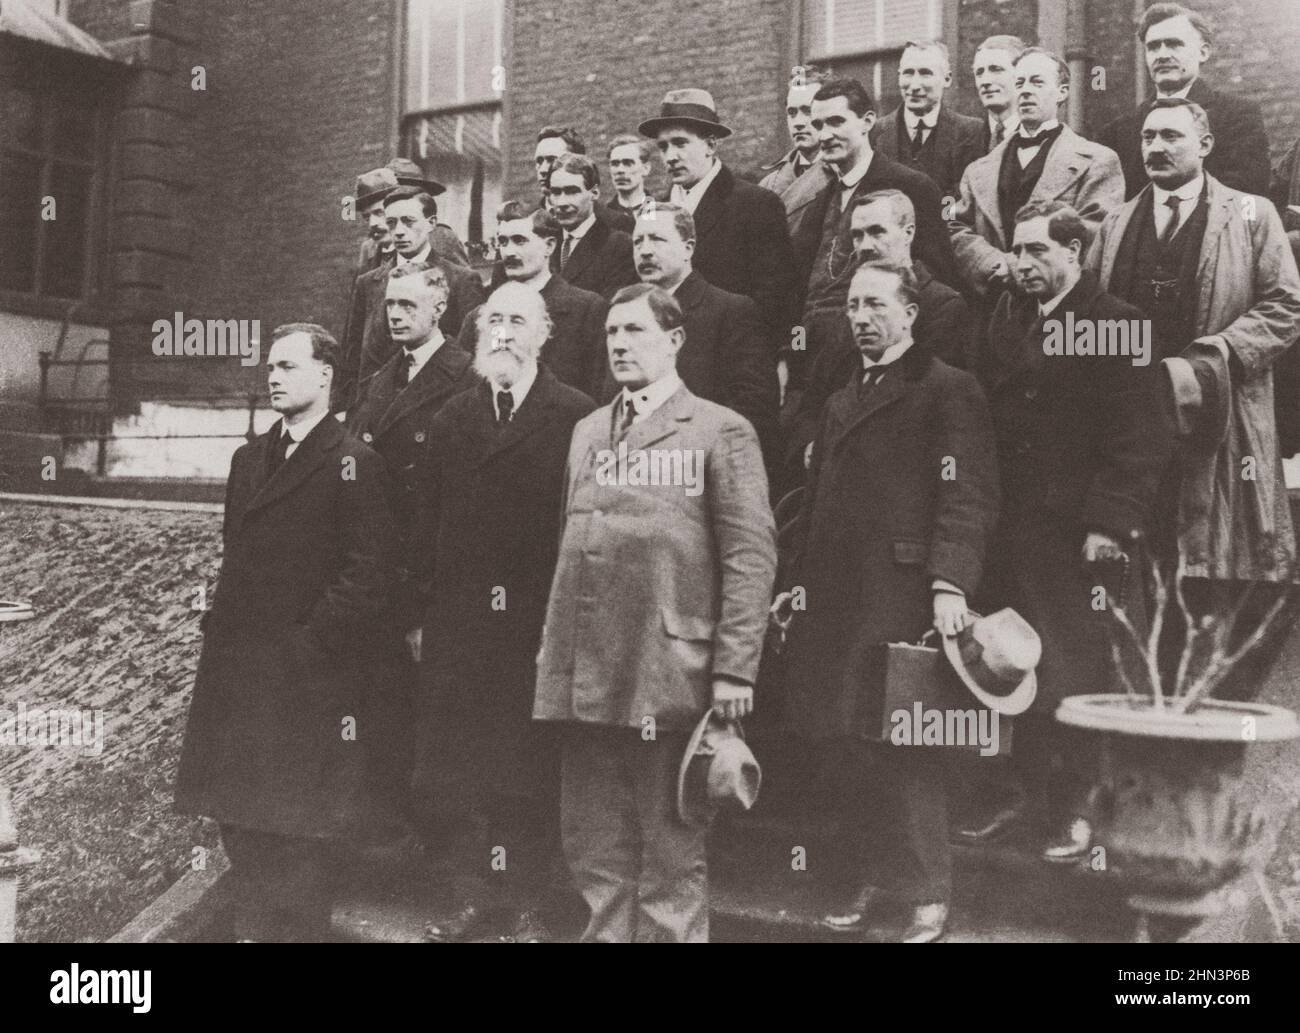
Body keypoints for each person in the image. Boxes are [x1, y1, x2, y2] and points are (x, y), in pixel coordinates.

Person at [533, 283, 777, 942]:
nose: (618, 344)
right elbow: (573, 541)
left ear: (675, 340)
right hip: (585, 676)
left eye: (635, 331)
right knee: (595, 853)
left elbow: (751, 560)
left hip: (669, 675)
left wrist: (734, 673)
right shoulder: (587, 430)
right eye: (611, 333)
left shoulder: (719, 430)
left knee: (670, 858)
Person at [774, 263, 999, 943]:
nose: (862, 317)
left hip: (900, 596)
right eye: (852, 305)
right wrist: (794, 583)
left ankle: (927, 890)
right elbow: (813, 506)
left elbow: (968, 494)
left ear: (910, 314)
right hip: (835, 596)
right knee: (843, 744)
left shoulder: (947, 389)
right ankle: (869, 874)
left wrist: (949, 583)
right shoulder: (844, 395)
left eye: (876, 304)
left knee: (907, 747)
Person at [174, 323, 396, 942]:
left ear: (325, 376)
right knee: (240, 820)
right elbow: (236, 557)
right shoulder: (249, 459)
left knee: (297, 831)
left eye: (289, 367)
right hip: (241, 673)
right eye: (270, 367)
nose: (274, 377)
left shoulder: (353, 462)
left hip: (305, 680)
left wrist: (309, 644)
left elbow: (367, 575)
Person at [1086, 97, 1300, 696]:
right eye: (1148, 136)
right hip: (1136, 432)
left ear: (1204, 146)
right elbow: (1096, 317)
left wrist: (1215, 356)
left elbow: (1287, 306)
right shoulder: (1117, 223)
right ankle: (1153, 704)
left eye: (1171, 137)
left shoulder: (1252, 216)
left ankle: (1217, 701)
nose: (1155, 147)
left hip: (1224, 423)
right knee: (1148, 568)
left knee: (1232, 567)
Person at [980, 201, 1170, 860]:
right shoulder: (1007, 323)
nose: (1023, 264)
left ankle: (1087, 812)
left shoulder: (1116, 325)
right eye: (1017, 251)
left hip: (1082, 541)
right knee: (1025, 673)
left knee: (1085, 674)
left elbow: (1141, 436)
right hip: (1016, 534)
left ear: (1074, 253)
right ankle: (1032, 800)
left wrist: (1110, 521)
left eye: (1038, 251)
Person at [412, 282, 596, 944]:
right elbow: (424, 521)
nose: (503, 332)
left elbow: (587, 527)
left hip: (536, 621)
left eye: (518, 320)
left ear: (545, 334)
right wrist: (420, 610)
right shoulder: (454, 416)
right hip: (460, 621)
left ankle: (524, 899)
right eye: (492, 320)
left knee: (527, 762)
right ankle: (469, 895)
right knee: (459, 761)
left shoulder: (577, 414)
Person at [784, 189, 973, 483]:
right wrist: (809, 445)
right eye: (857, 236)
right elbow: (812, 402)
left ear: (908, 232)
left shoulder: (942, 306)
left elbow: (939, 411)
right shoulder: (845, 311)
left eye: (876, 232)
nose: (865, 246)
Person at [788, 76, 961, 393]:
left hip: (880, 366)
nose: (824, 135)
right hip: (818, 371)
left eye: (836, 122)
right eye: (818, 124)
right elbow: (800, 296)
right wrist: (791, 359)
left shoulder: (912, 186)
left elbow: (937, 277)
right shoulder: (817, 204)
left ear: (868, 121)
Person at [640, 88, 799, 397]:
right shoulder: (653, 214)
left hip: (735, 372)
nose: (670, 156)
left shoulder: (755, 204)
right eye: (663, 146)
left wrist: (790, 359)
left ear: (711, 144)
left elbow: (786, 298)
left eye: (681, 143)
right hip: (665, 373)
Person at [947, 47, 1124, 298]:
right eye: (1019, 82)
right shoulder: (978, 169)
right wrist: (992, 262)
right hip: (992, 303)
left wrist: (1025, 263)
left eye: (1037, 82)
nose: (1026, 90)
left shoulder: (1097, 161)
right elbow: (954, 227)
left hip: (1058, 305)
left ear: (1062, 92)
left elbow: (1095, 235)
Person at [624, 202, 778, 458]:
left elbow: (754, 407)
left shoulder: (731, 311)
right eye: (638, 242)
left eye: (657, 239)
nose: (645, 251)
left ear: (688, 248)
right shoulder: (623, 316)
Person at [1097, 2, 1270, 200]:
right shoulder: (1118, 132)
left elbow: (1248, 193)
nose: (1162, 55)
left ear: (1203, 52)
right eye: (1153, 47)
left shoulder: (1237, 116)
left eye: (1174, 44)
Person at [340, 186, 484, 412]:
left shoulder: (461, 280)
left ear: (431, 223)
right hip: (374, 410)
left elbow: (471, 355)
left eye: (408, 221)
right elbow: (352, 353)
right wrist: (344, 409)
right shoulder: (368, 282)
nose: (398, 231)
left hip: (432, 407)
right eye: (392, 222)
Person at [458, 200, 610, 398]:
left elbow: (598, 389)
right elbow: (464, 389)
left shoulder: (587, 310)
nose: (509, 252)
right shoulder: (478, 317)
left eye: (519, 240)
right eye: (503, 242)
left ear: (549, 246)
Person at [870, 39, 985, 201]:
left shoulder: (971, 132)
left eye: (925, 73)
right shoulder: (875, 133)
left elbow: (961, 198)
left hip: (947, 224)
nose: (915, 85)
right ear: (899, 77)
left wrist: (944, 222)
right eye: (908, 73)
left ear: (947, 79)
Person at [547, 153, 638, 297]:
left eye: (572, 192)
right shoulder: (544, 242)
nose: (562, 202)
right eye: (556, 192)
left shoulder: (619, 246)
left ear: (594, 193)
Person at [535, 125, 634, 232]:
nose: (543, 170)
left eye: (552, 160)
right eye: (539, 161)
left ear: (577, 162)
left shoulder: (617, 224)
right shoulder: (526, 221)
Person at [759, 68, 828, 206]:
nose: (798, 123)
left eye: (807, 111)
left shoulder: (846, 174)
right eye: (792, 113)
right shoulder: (768, 186)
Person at [972, 35, 1027, 154]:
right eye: (979, 72)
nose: (985, 81)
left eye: (996, 69)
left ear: (1020, 74)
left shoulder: (1038, 137)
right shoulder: (965, 141)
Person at [606, 133, 655, 221]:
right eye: (615, 164)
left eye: (628, 163)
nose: (620, 170)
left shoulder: (662, 212)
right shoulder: (603, 217)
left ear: (646, 168)